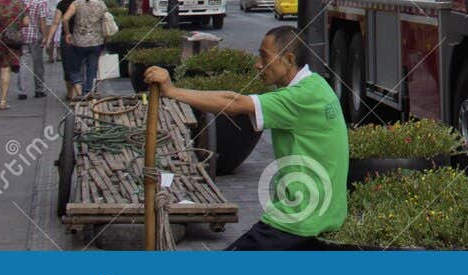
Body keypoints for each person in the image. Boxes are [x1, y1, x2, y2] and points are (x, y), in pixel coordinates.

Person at [144, 26, 347, 250]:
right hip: (324, 215)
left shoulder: (300, 97)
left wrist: (172, 91)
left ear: (288, 60)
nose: (258, 65)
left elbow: (235, 103)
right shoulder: (318, 86)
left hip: (299, 220)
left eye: (264, 56)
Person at [62, 0, 109, 98]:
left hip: (78, 41)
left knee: (75, 68)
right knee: (92, 68)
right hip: (96, 41)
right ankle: (89, 92)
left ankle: (79, 91)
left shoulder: (76, 4)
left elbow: (65, 19)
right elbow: (106, 21)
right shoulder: (101, 4)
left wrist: (68, 33)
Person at [16, 0, 55, 100]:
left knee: (23, 63)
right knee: (38, 63)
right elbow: (42, 20)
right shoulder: (41, 1)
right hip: (35, 35)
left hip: (23, 34)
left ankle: (22, 91)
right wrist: (44, 36)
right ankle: (39, 89)